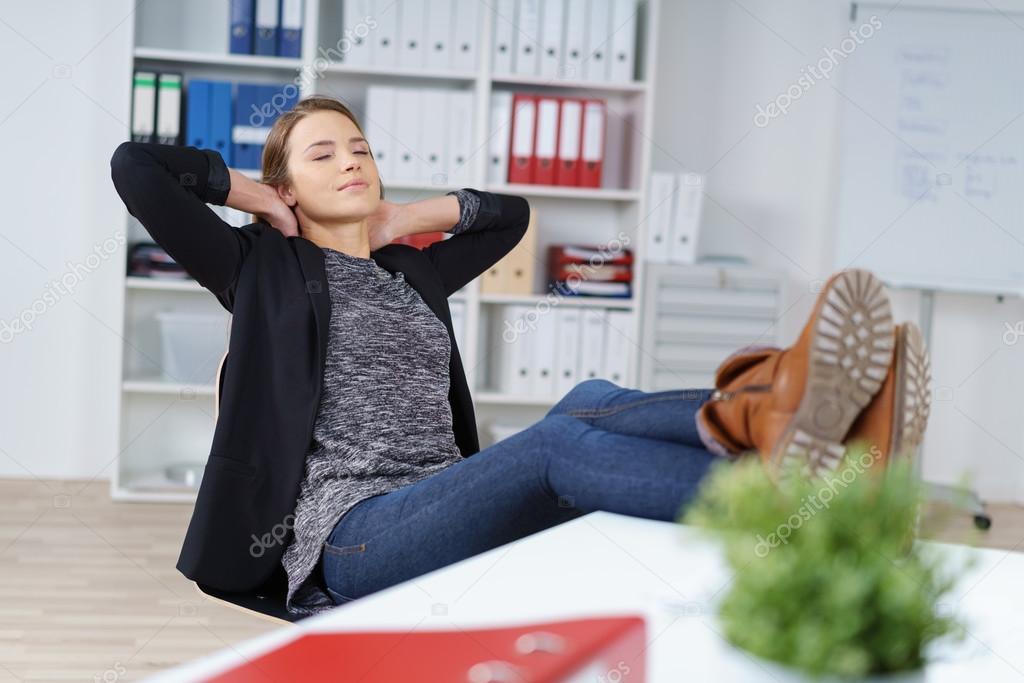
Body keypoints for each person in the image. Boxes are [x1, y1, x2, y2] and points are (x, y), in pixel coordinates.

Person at [109, 95, 931, 618]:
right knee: (556, 448)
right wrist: (253, 196)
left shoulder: (409, 268)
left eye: (358, 147)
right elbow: (136, 168)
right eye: (322, 154)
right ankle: (813, 499)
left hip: (439, 498)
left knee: (589, 394)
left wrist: (400, 221)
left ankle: (790, 398)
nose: (351, 159)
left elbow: (510, 216)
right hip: (355, 536)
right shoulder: (260, 268)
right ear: (286, 185)